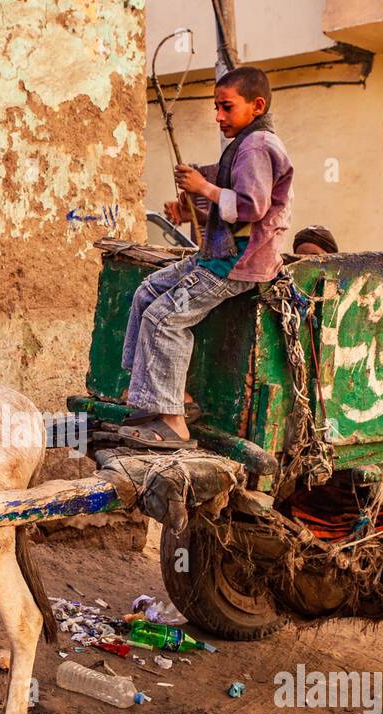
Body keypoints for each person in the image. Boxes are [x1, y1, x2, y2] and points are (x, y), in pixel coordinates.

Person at [119, 66, 294, 450]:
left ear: (257, 105)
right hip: (215, 254)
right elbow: (222, 193)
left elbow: (251, 206)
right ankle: (158, 396)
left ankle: (174, 424)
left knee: (165, 318)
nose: (218, 116)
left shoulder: (258, 146)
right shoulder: (244, 145)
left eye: (226, 107)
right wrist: (187, 208)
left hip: (237, 263)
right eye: (216, 107)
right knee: (148, 292)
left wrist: (202, 187)